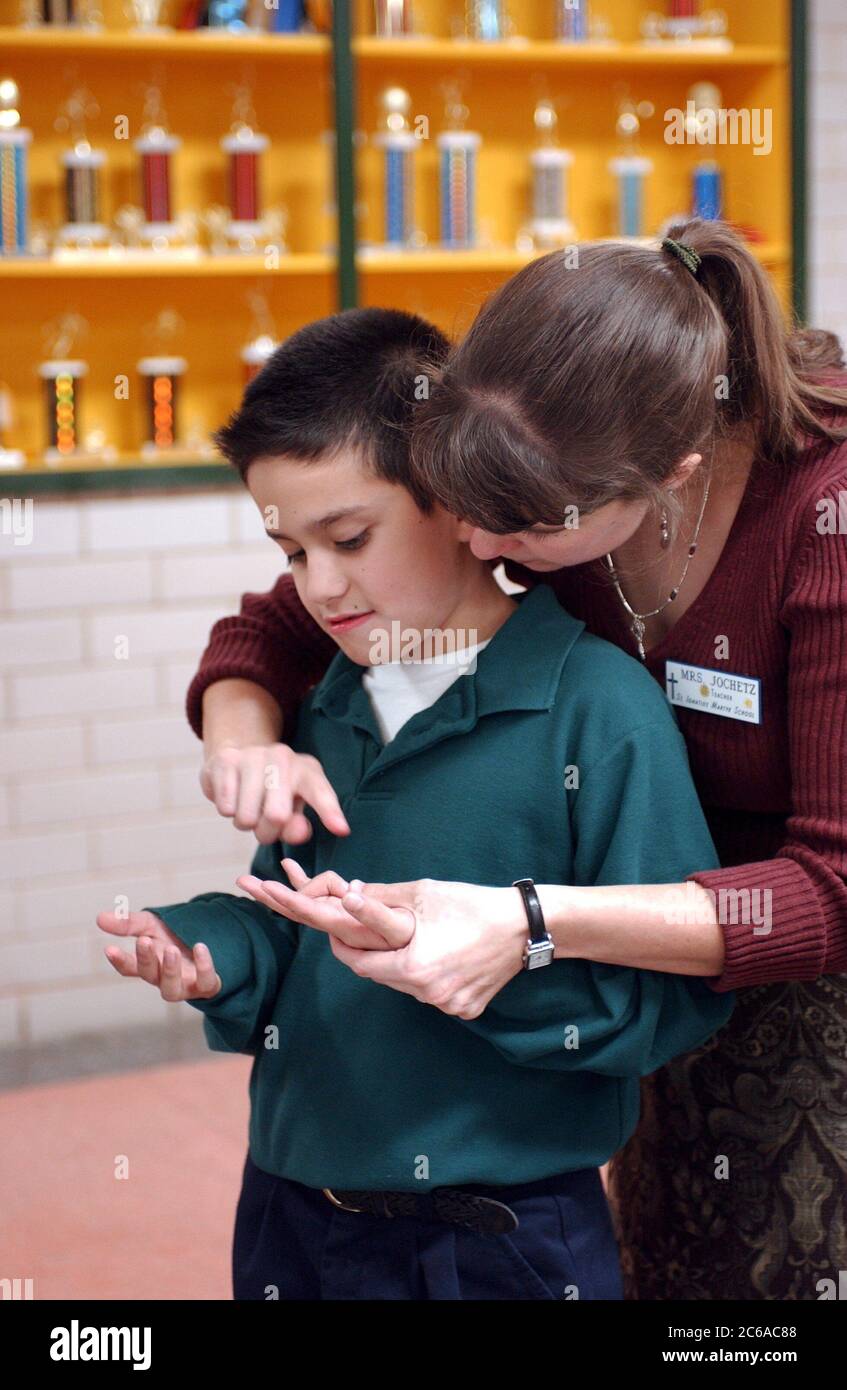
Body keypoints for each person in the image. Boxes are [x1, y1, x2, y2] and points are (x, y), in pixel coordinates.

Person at [186, 223, 847, 1300]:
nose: (477, 546)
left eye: (519, 528)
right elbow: (279, 624)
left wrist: (535, 922)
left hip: (806, 990)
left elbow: (836, 887)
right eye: (462, 504)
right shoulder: (528, 476)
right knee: (675, 1268)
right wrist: (242, 733)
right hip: (646, 978)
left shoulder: (822, 516)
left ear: (670, 473)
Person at [97, 306, 734, 1302]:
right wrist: (208, 952)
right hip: (290, 1221)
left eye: (348, 537)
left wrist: (479, 964)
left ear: (454, 497)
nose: (319, 584)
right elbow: (289, 924)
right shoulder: (330, 700)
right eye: (292, 551)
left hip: (509, 1242)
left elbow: (667, 999)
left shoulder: (600, 714)